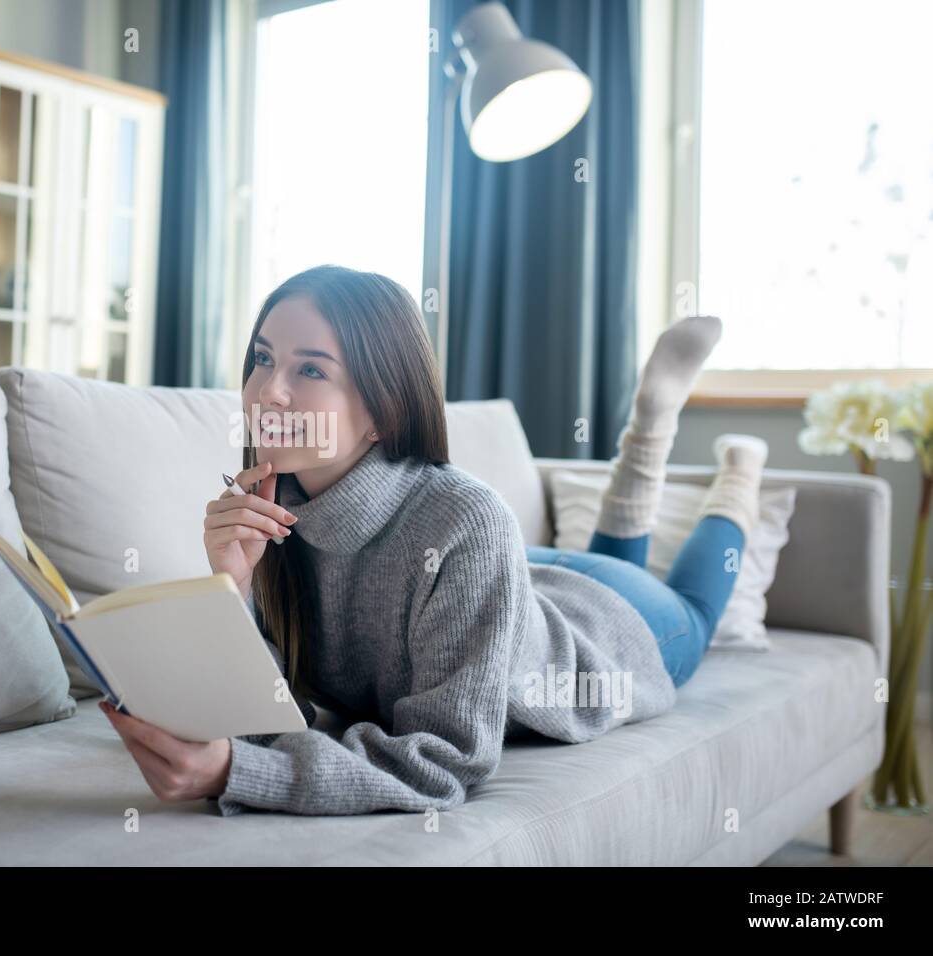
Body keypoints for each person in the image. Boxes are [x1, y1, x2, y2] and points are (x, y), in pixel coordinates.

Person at [101, 264, 767, 817]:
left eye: (310, 371)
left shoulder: (465, 522)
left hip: (599, 631)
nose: (268, 393)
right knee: (544, 564)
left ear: (384, 407)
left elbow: (445, 763)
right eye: (264, 359)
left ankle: (703, 460)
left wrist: (237, 775)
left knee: (694, 612)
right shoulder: (272, 508)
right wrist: (234, 588)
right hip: (518, 577)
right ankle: (647, 432)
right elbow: (281, 719)